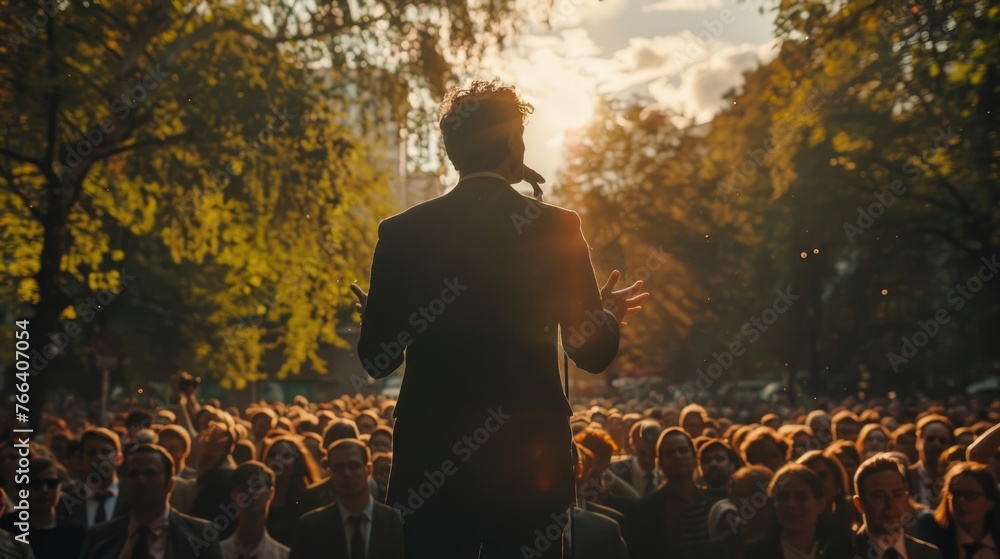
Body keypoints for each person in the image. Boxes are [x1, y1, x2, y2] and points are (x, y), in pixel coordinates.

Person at [351, 78, 648, 557]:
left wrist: (384, 315)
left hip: (433, 469)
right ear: (512, 143)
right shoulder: (556, 225)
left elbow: (377, 359)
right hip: (530, 466)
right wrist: (605, 315)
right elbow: (591, 352)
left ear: (453, 151)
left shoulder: (403, 232)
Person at [78, 443, 223, 559]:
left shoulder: (201, 535)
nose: (140, 479)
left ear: (170, 484)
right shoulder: (100, 537)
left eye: (150, 473)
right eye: (133, 474)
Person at [288, 439, 403, 559]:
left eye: (354, 466)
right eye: (338, 468)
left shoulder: (393, 521)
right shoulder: (310, 526)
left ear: (369, 470)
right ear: (330, 473)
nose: (347, 473)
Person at [628, 427, 712, 559]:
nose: (677, 456)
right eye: (669, 453)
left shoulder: (713, 501)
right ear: (660, 463)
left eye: (683, 450)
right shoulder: (647, 509)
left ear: (695, 458)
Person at [742, 463, 853, 558]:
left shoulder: (844, 550)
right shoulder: (754, 554)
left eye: (802, 496)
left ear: (820, 504)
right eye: (783, 497)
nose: (791, 504)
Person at [852, 455, 942, 559]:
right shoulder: (844, 553)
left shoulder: (930, 554)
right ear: (859, 504)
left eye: (897, 494)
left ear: (906, 498)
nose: (891, 505)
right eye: (879, 496)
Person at [0, 457, 84, 559]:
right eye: (36, 484)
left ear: (60, 487)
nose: (45, 489)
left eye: (51, 483)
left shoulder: (76, 534)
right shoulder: (5, 528)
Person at [916, 462, 1000, 559]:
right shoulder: (932, 533)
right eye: (955, 494)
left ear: (990, 502)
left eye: (970, 495)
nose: (961, 500)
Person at [58, 427, 129, 527]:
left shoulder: (131, 498)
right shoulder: (66, 504)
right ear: (81, 460)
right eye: (91, 453)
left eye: (106, 452)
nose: (98, 457)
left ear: (119, 458)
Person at [220, 461, 289, 559]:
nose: (250, 491)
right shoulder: (217, 553)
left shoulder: (284, 556)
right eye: (243, 488)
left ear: (271, 492)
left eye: (258, 486)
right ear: (233, 496)